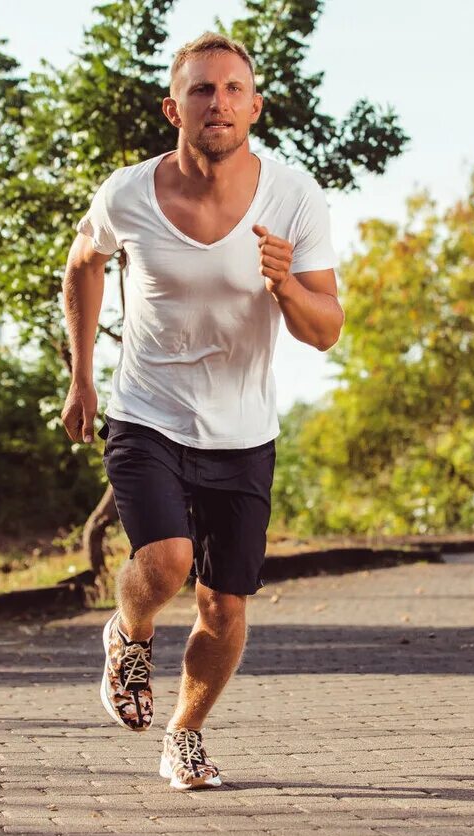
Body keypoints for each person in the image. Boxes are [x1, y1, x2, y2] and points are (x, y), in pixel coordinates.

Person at [59, 32, 343, 790]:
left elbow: (326, 329)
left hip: (244, 430)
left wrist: (285, 287)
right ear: (172, 108)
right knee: (167, 561)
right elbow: (83, 265)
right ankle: (130, 631)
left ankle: (184, 733)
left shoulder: (294, 196)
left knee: (223, 605)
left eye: (230, 90)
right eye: (200, 90)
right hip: (147, 412)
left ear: (254, 105)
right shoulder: (126, 193)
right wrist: (83, 378)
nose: (216, 103)